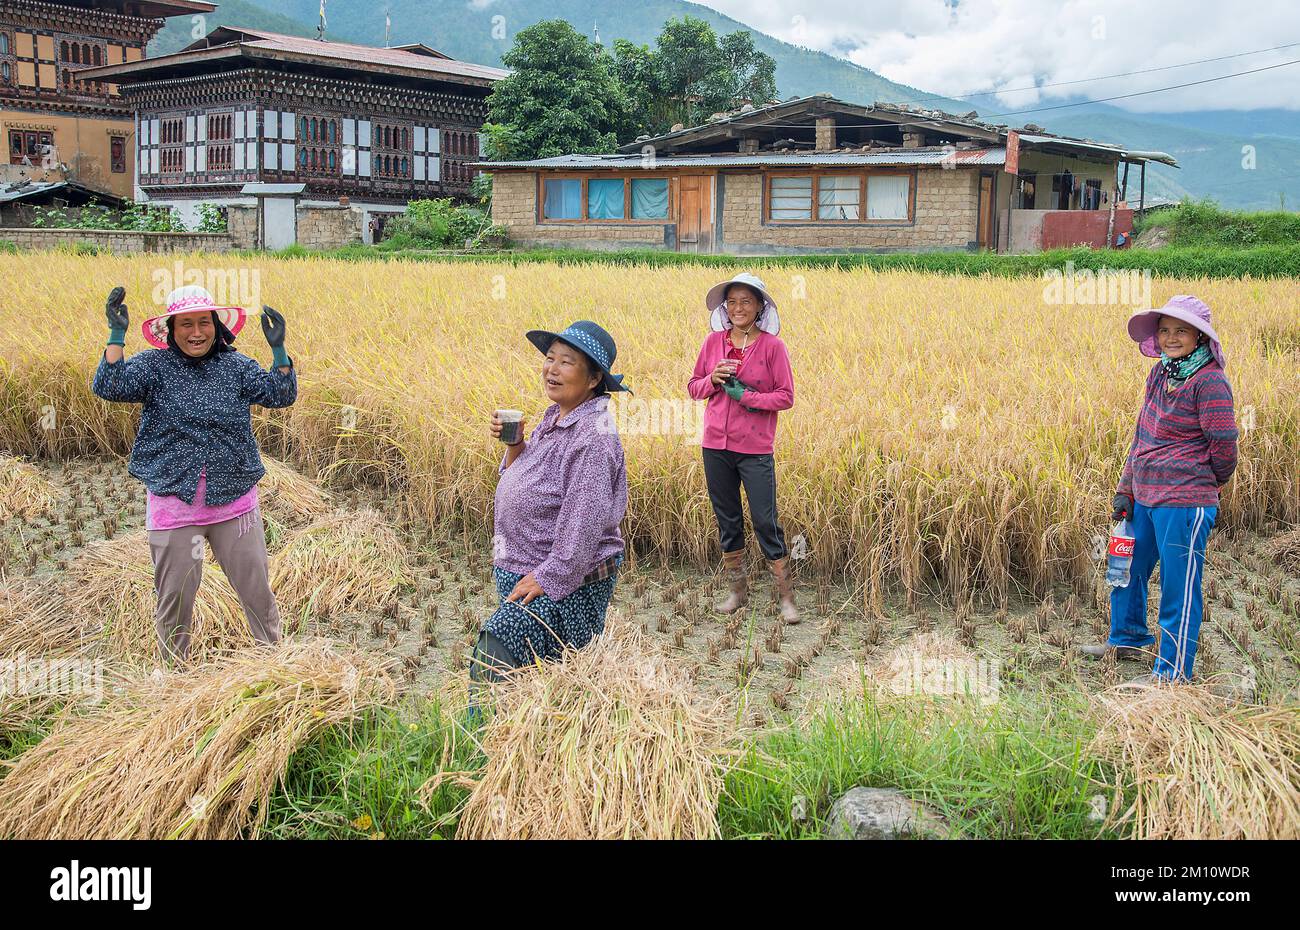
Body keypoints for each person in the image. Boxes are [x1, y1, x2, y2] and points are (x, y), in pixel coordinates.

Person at [91, 284, 297, 663]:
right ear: (171, 329)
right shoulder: (154, 367)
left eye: (204, 322)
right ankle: (174, 678)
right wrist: (116, 335)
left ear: (218, 327)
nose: (196, 332)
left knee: (256, 593)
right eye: (186, 324)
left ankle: (273, 667)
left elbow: (280, 395)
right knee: (176, 600)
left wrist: (279, 350)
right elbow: (109, 386)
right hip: (175, 505)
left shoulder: (236, 367)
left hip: (234, 502)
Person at [1080, 295, 1238, 682]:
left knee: (1177, 588)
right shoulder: (1160, 374)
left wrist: (1199, 483)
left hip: (1184, 503)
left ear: (1199, 336)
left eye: (1180, 331)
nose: (1170, 338)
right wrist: (1126, 488)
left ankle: (1171, 674)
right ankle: (1128, 638)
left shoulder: (1210, 381)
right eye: (1165, 330)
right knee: (1126, 568)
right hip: (1145, 496)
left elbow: (1225, 445)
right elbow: (1142, 435)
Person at [470, 320, 631, 697]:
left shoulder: (592, 439)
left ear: (593, 379)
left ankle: (482, 746)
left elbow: (584, 524)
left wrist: (549, 577)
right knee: (529, 682)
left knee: (496, 653)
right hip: (528, 572)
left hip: (562, 587)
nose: (551, 369)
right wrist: (515, 445)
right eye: (549, 358)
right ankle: (518, 743)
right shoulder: (553, 417)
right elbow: (524, 477)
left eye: (566, 362)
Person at [688, 272, 797, 623]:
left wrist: (746, 396)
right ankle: (737, 593)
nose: (738, 308)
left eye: (746, 302)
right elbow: (693, 388)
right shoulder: (712, 343)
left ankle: (786, 598)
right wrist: (712, 379)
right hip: (715, 445)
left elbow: (786, 396)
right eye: (732, 302)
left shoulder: (772, 347)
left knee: (765, 521)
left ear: (760, 307)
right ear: (725, 307)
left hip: (755, 448)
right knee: (728, 521)